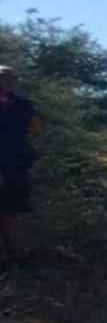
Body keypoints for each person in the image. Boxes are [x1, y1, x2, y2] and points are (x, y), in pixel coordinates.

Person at [0, 65, 40, 263]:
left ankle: (14, 253)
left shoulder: (25, 105)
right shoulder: (24, 104)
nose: (6, 82)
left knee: (14, 207)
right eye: (3, 78)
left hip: (16, 162)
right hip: (11, 161)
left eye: (10, 79)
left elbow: (36, 130)